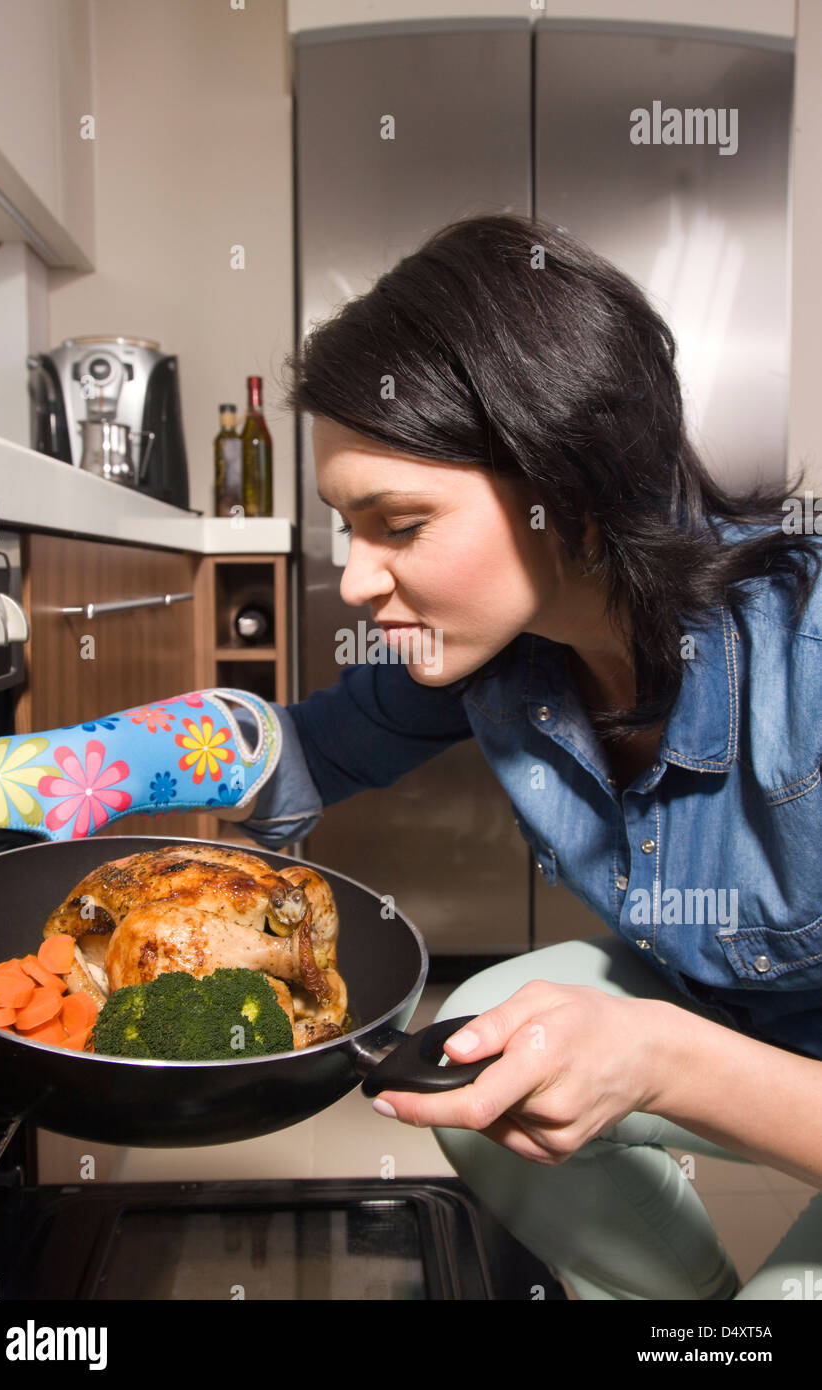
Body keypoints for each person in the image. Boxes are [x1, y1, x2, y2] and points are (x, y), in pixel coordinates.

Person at [227, 214, 822, 1300]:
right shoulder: (502, 658)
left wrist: (661, 1056)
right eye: (343, 528)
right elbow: (288, 752)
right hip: (736, 1026)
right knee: (483, 1052)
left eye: (398, 524)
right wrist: (18, 782)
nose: (356, 580)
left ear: (574, 492)